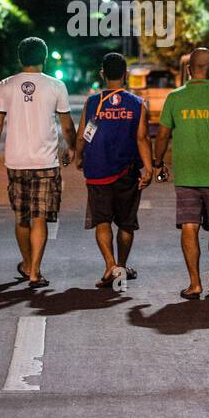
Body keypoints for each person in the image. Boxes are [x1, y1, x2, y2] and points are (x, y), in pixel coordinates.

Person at [0, 37, 76, 289]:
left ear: (20, 58)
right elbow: (66, 125)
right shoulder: (56, 86)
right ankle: (34, 272)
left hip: (16, 161)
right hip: (46, 162)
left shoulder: (6, 85)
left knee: (21, 218)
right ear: (44, 58)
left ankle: (27, 263)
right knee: (40, 218)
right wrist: (73, 147)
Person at [154, 48, 209, 299]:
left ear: (189, 70)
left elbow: (162, 134)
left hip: (186, 176)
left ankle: (195, 284)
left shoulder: (174, 98)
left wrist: (157, 161)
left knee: (189, 227)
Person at [74, 52, 154, 288]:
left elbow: (83, 135)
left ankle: (110, 265)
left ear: (102, 74)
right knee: (126, 223)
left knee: (103, 221)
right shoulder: (138, 103)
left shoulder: (92, 103)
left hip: (97, 171)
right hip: (126, 172)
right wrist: (149, 168)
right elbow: (142, 138)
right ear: (126, 74)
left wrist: (78, 157)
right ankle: (120, 264)